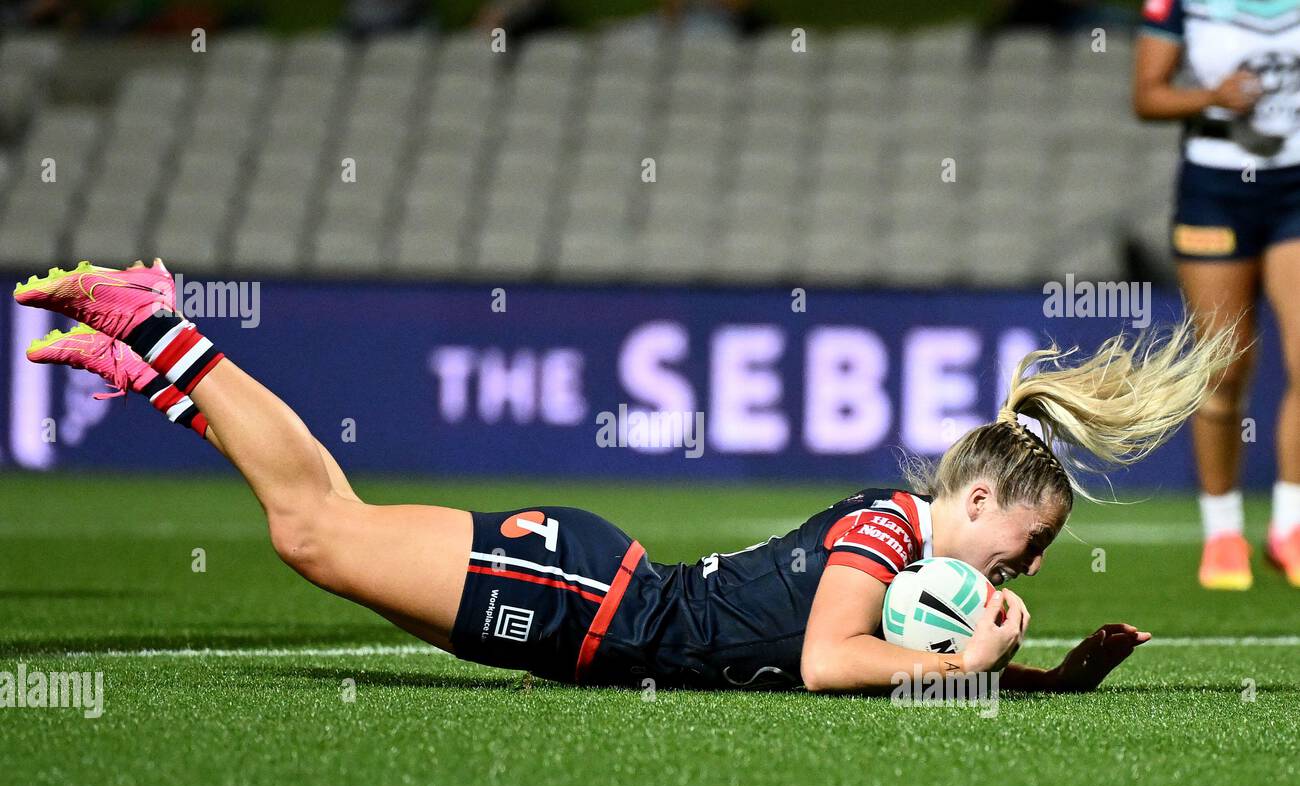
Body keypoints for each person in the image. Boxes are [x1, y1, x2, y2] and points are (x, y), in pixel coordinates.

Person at [14, 259, 1235, 692]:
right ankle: (161, 327)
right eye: (1023, 548)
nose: (1022, 569)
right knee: (316, 529)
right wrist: (973, 668)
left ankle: (160, 374)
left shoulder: (908, 557)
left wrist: (1044, 682)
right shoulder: (880, 526)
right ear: (974, 502)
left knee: (323, 531)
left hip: (586, 615)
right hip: (585, 595)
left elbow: (881, 659)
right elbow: (830, 663)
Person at [1135, 0, 1300, 588]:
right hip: (1216, 188)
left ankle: (1290, 526)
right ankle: (1223, 530)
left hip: (1294, 186)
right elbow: (1148, 95)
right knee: (1224, 371)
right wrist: (1213, 96)